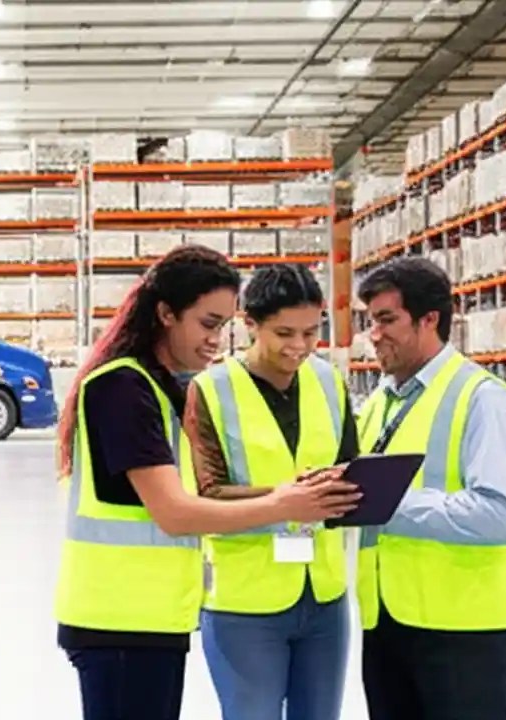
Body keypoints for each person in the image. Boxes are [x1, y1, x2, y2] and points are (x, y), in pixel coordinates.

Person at [53, 245, 362, 720]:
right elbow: (176, 512)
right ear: (165, 314)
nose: (217, 339)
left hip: (154, 617)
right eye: (208, 323)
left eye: (222, 325)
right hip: (117, 621)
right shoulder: (122, 387)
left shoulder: (159, 388)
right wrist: (285, 503)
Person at [354, 257, 506, 720]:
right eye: (370, 321)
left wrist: (384, 503)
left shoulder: (484, 399)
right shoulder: (380, 402)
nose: (375, 334)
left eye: (387, 320)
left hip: (463, 630)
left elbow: (500, 514)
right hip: (388, 621)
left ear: (429, 319)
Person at [184, 264, 359, 720]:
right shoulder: (211, 390)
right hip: (244, 601)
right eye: (284, 333)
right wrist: (286, 499)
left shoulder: (329, 381)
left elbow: (350, 469)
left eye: (310, 332)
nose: (299, 346)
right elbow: (205, 494)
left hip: (324, 596)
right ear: (249, 325)